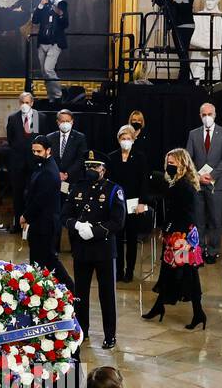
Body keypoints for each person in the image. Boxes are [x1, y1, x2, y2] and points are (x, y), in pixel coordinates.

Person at [65, 152, 125, 348]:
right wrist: (76, 226)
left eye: (95, 167)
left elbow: (117, 221)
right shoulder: (77, 188)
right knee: (80, 293)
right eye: (88, 167)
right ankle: (83, 330)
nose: (91, 170)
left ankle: (110, 335)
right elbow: (65, 215)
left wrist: (96, 231)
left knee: (106, 295)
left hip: (103, 249)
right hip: (82, 249)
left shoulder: (113, 189)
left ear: (103, 169)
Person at [144, 148, 205, 329]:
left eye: (173, 163)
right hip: (176, 234)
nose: (169, 166)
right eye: (168, 163)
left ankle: (198, 313)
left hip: (182, 237)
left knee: (188, 274)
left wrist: (170, 230)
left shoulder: (184, 185)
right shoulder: (176, 182)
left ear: (182, 164)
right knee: (168, 270)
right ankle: (159, 306)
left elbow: (185, 214)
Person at [184, 103, 222, 264]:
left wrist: (211, 175)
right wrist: (198, 176)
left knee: (215, 219)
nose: (207, 117)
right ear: (200, 116)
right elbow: (188, 158)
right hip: (197, 184)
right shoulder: (193, 134)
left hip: (216, 184)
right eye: (204, 114)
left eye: (209, 114)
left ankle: (213, 250)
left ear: (215, 114)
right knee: (198, 220)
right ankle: (198, 250)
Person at [22, 135, 71, 290]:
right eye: (33, 151)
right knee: (40, 261)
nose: (35, 154)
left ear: (48, 150)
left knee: (48, 260)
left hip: (45, 223)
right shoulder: (43, 165)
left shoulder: (48, 171)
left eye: (39, 151)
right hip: (40, 222)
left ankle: (70, 288)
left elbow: (40, 199)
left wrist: (25, 216)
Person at [105, 124, 150, 284]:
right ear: (118, 140)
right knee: (116, 238)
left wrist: (142, 203)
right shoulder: (112, 157)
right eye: (123, 139)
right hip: (116, 203)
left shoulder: (140, 157)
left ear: (133, 140)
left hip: (133, 203)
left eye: (128, 139)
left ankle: (129, 271)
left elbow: (144, 182)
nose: (125, 141)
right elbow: (108, 182)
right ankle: (118, 270)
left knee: (131, 238)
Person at [5, 92, 43, 233]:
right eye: (22, 102)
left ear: (32, 103)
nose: (25, 105)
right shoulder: (13, 118)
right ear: (19, 103)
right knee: (17, 194)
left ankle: (32, 223)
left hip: (35, 163)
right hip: (17, 163)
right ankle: (17, 224)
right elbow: (10, 139)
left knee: (34, 193)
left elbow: (42, 138)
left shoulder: (40, 117)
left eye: (27, 102)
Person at [32, 0, 69, 102]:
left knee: (48, 69)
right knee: (44, 72)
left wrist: (60, 14)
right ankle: (51, 97)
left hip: (55, 43)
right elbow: (35, 20)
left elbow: (65, 24)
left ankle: (58, 95)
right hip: (42, 43)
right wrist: (41, 4)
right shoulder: (43, 8)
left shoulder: (61, 6)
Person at [49, 108, 87, 187]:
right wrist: (57, 173)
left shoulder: (80, 137)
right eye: (63, 121)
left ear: (72, 122)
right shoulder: (50, 137)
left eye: (68, 121)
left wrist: (67, 174)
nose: (65, 123)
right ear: (58, 122)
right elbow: (48, 157)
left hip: (73, 179)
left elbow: (81, 159)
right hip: (54, 178)